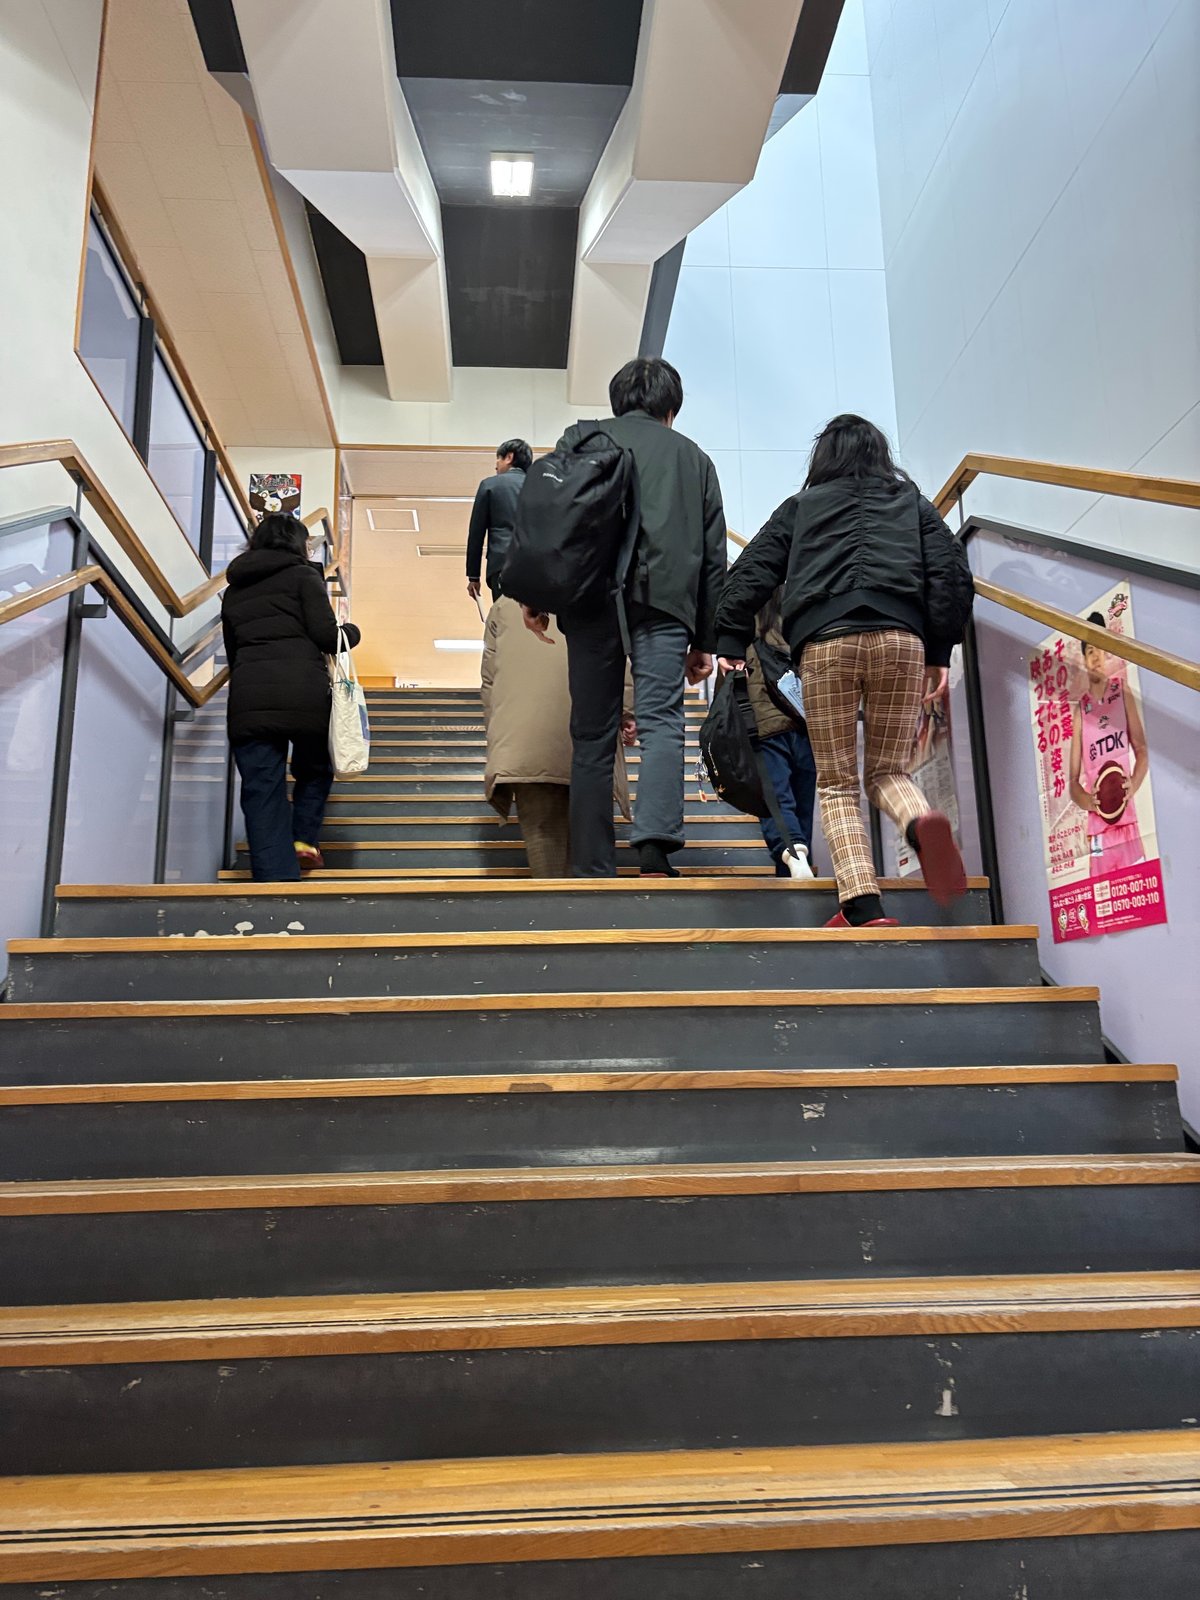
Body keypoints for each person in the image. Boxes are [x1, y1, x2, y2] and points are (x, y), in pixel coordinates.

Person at [713, 413, 974, 927]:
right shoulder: (911, 504)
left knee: (835, 783)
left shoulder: (801, 508)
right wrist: (939, 648)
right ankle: (919, 822)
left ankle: (862, 904)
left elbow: (751, 571)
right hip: (901, 639)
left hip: (825, 645)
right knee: (887, 771)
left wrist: (728, 638)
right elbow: (952, 571)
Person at [523, 357, 727, 878]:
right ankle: (655, 851)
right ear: (671, 408)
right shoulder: (694, 459)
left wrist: (538, 597)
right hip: (664, 602)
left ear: (617, 401)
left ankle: (590, 863)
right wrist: (705, 639)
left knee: (592, 731)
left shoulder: (584, 440)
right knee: (661, 721)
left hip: (590, 601)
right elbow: (711, 555)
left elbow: (553, 521)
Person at [221, 511, 361, 881]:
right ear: (299, 544)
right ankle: (302, 840)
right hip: (304, 695)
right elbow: (326, 636)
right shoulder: (303, 576)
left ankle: (274, 878)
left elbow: (232, 649)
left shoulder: (235, 589)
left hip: (250, 699)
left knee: (261, 789)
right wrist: (352, 632)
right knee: (313, 770)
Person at [481, 596, 634, 876]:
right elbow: (615, 659)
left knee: (542, 838)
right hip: (588, 730)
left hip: (522, 738)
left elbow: (489, 681)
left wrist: (498, 736)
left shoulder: (504, 604)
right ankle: (589, 909)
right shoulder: (596, 587)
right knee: (588, 841)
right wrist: (627, 710)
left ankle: (551, 905)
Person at [1069, 612, 1148, 877]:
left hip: (1128, 822)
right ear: (1084, 658)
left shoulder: (1122, 692)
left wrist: (1133, 785)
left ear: (1107, 653)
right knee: (1103, 903)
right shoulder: (1081, 710)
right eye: (1089, 650)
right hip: (1098, 832)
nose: (1095, 655)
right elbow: (1072, 782)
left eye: (1100, 648)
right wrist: (1087, 801)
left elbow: (1142, 751)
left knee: (1138, 894)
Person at [744, 591, 817, 879]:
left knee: (776, 799)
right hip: (806, 723)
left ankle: (794, 855)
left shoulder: (746, 631)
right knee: (802, 804)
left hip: (765, 727)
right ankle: (797, 869)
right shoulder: (803, 621)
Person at [466, 438, 532, 604]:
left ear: (509, 457)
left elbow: (476, 532)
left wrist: (474, 576)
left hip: (503, 564)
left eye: (498, 459)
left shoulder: (490, 485)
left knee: (508, 621)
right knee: (535, 623)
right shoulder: (541, 486)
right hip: (535, 567)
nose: (496, 466)